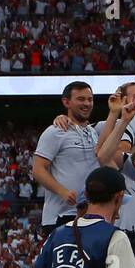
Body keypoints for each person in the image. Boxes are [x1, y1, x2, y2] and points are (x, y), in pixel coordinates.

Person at [32, 81, 100, 233]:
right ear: (66, 102)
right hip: (60, 216)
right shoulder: (55, 131)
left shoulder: (93, 132)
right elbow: (37, 169)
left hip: (88, 215)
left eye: (90, 99)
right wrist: (62, 191)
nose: (87, 103)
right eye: (81, 99)